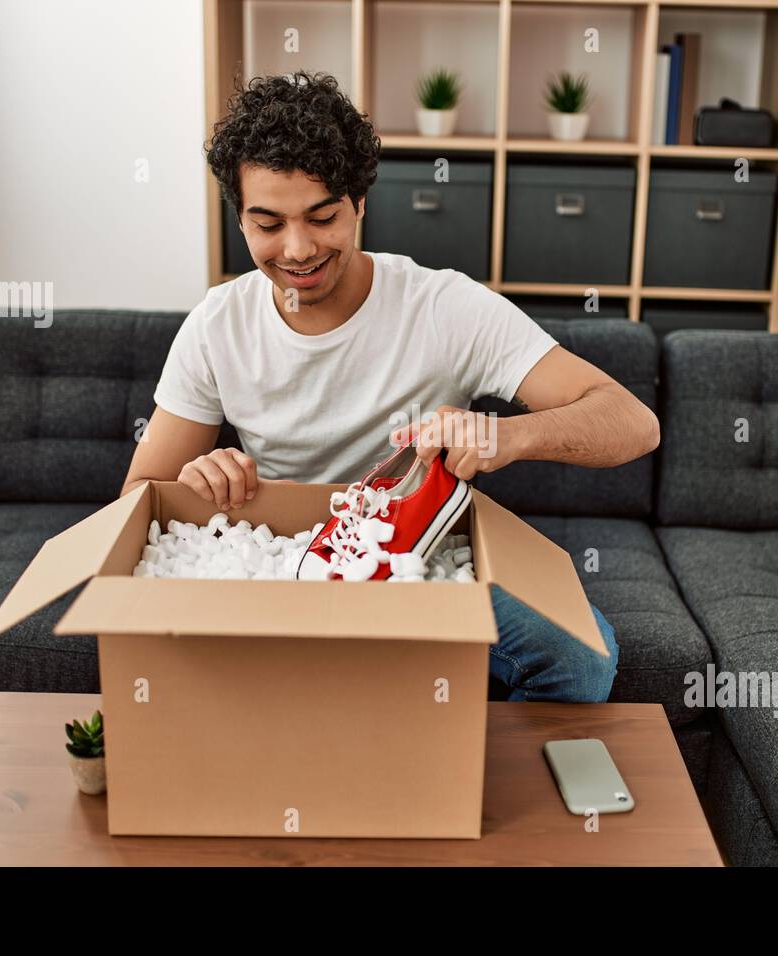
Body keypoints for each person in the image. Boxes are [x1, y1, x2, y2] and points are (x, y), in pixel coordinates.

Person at [122, 71, 660, 703]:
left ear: (359, 204)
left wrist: (505, 436)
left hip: (424, 557)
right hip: (284, 558)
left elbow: (634, 423)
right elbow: (134, 500)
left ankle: (462, 761)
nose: (297, 249)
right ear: (240, 220)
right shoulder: (217, 325)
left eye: (322, 217)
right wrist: (199, 477)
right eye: (267, 224)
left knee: (582, 658)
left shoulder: (445, 307)